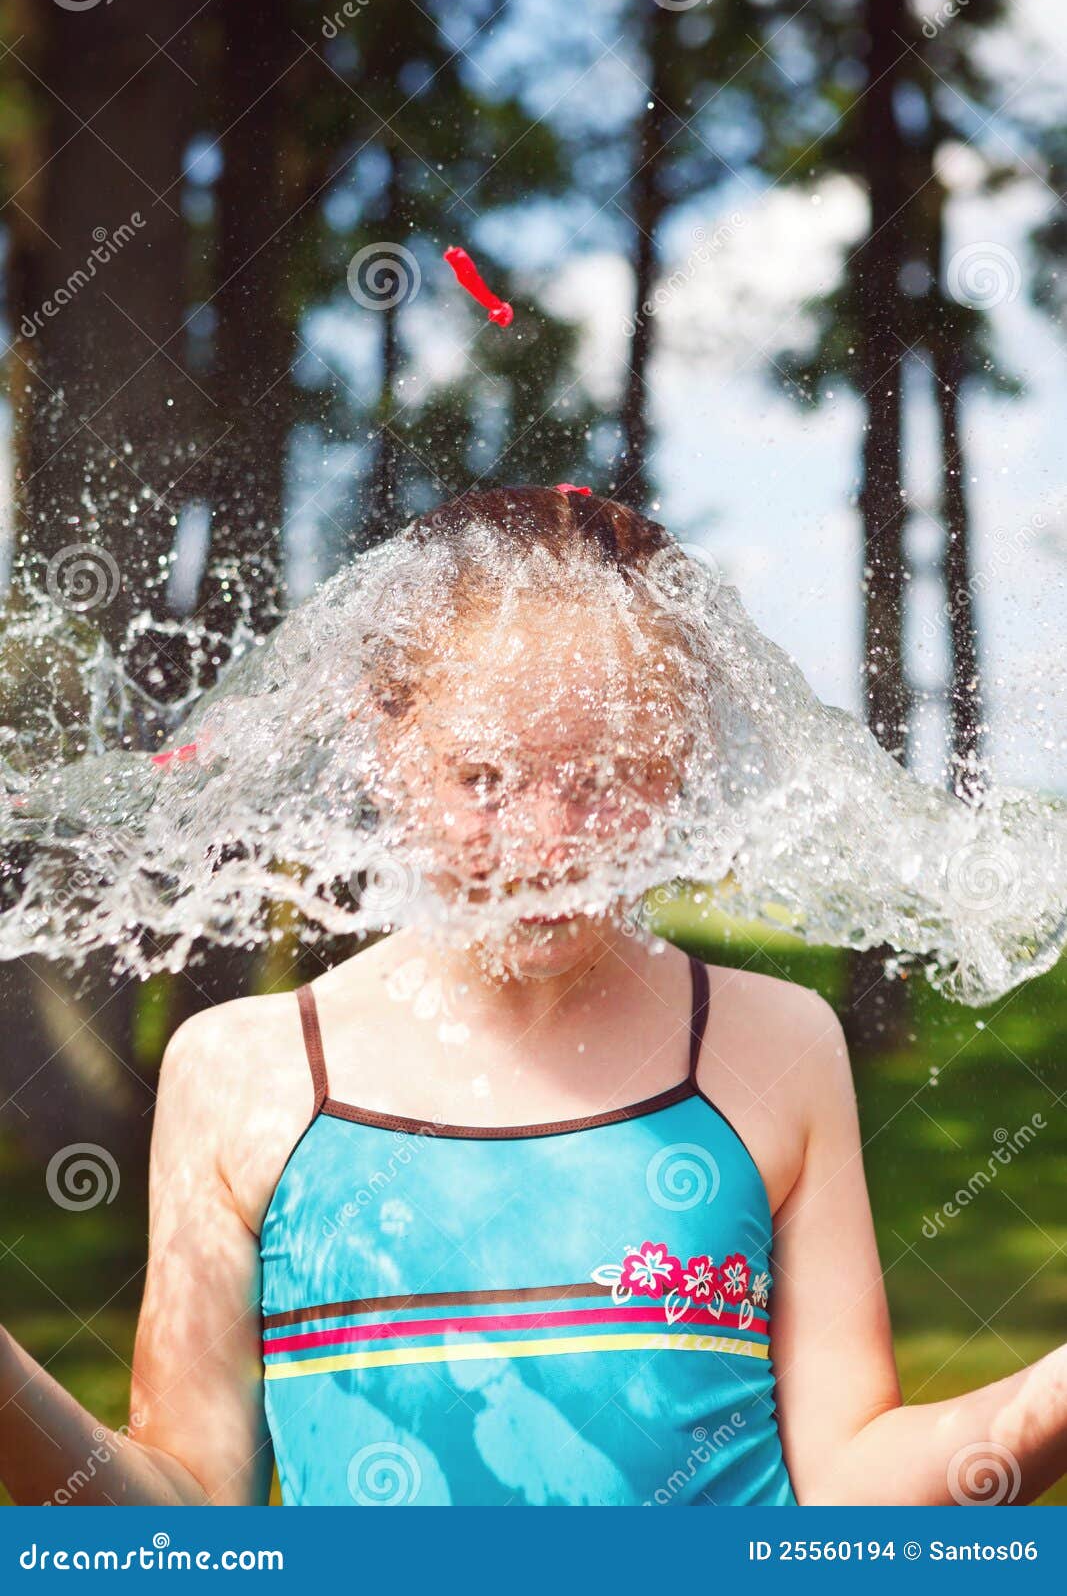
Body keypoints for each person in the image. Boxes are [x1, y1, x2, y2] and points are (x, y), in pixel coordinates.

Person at [2, 485, 1065, 1507]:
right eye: (484, 779)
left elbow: (846, 1489)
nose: (547, 845)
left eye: (606, 777)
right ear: (386, 748)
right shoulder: (245, 1070)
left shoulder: (770, 1043)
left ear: (682, 760)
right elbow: (176, 1528)